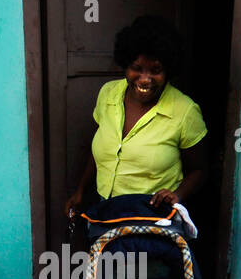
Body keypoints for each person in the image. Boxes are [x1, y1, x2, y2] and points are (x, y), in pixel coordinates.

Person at [63, 16, 207, 217]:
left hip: (151, 218)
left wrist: (177, 194)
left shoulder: (185, 111)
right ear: (125, 66)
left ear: (168, 70)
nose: (145, 79)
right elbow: (101, 151)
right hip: (105, 211)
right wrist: (80, 191)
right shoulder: (108, 94)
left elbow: (199, 170)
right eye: (137, 68)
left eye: (155, 70)